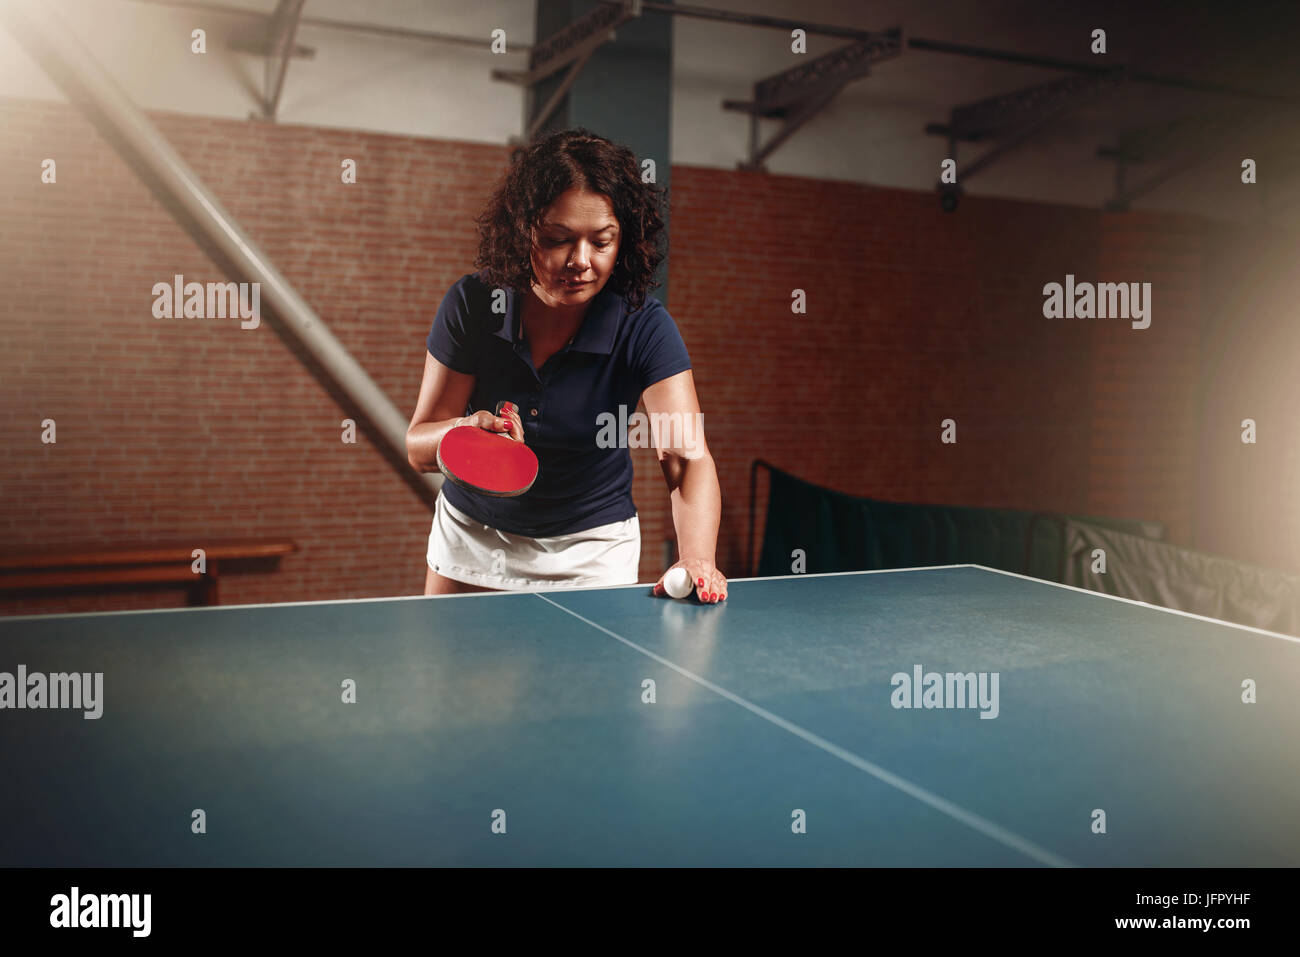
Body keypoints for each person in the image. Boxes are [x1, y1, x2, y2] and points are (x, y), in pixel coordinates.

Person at [406, 128, 728, 602]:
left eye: (601, 242)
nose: (580, 261)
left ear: (624, 241)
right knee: (445, 676)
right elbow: (418, 446)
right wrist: (465, 431)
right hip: (473, 541)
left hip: (591, 554)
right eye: (558, 239)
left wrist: (697, 556)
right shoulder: (473, 304)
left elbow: (685, 456)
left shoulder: (644, 327)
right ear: (523, 231)